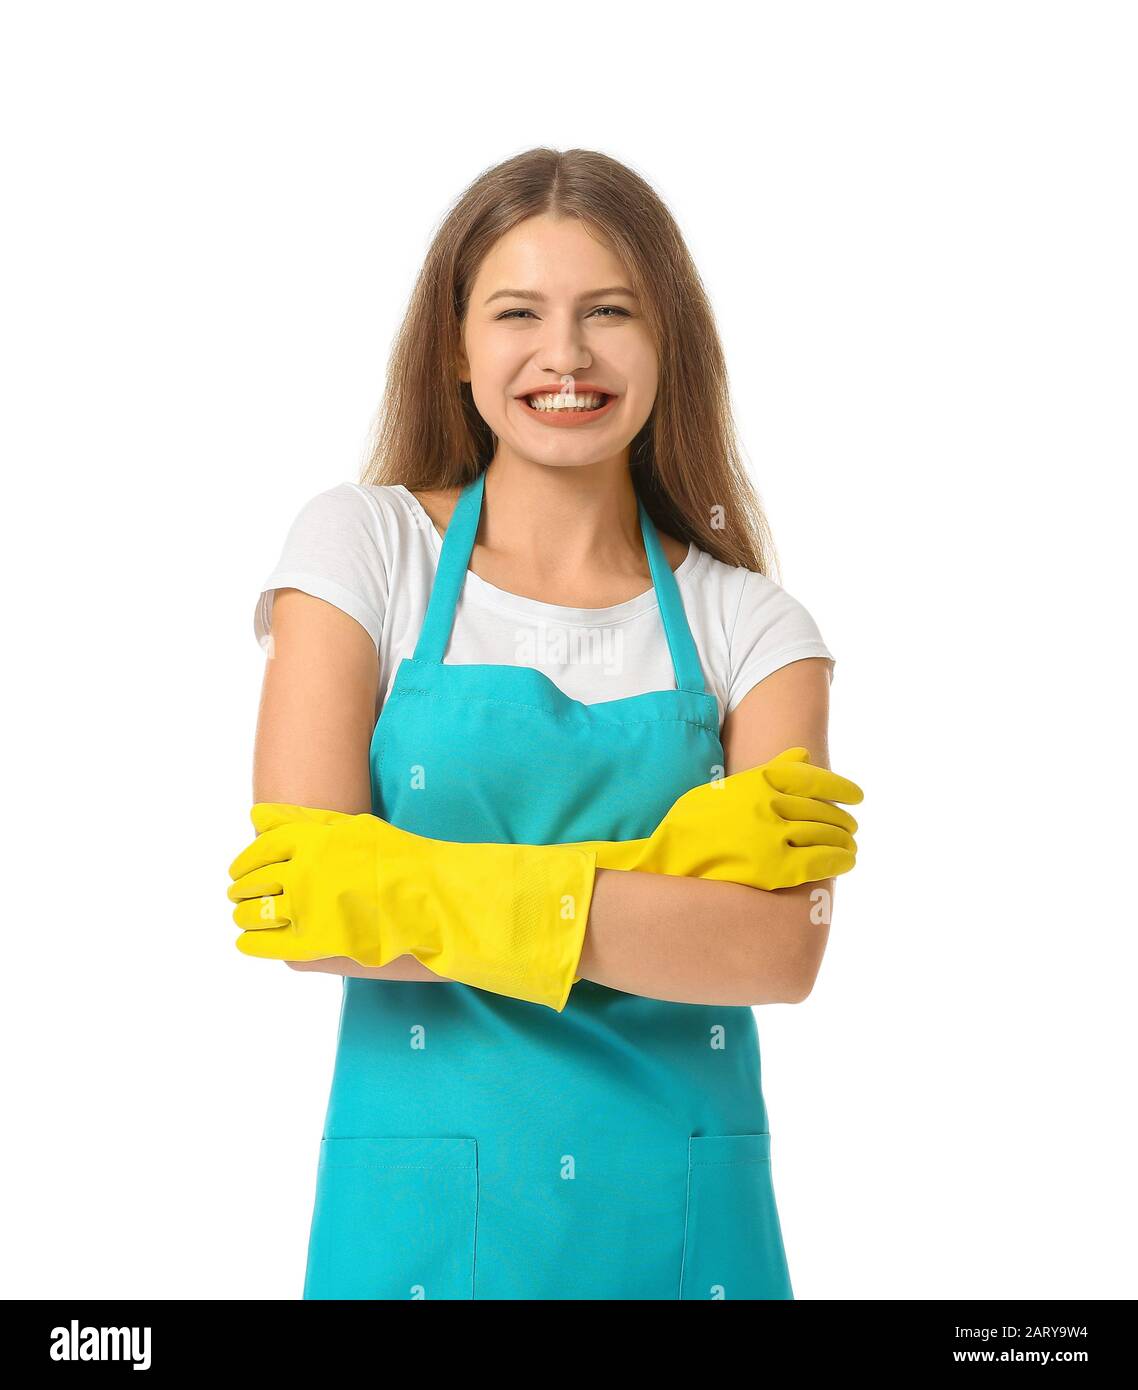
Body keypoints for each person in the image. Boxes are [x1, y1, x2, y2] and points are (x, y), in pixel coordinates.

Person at [227, 147, 863, 1300]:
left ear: (669, 345)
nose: (564, 356)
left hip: (678, 1227)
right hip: (414, 1226)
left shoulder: (755, 625)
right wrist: (666, 884)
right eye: (518, 311)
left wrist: (402, 881)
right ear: (455, 349)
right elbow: (296, 902)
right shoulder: (365, 549)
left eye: (608, 313)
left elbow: (778, 949)